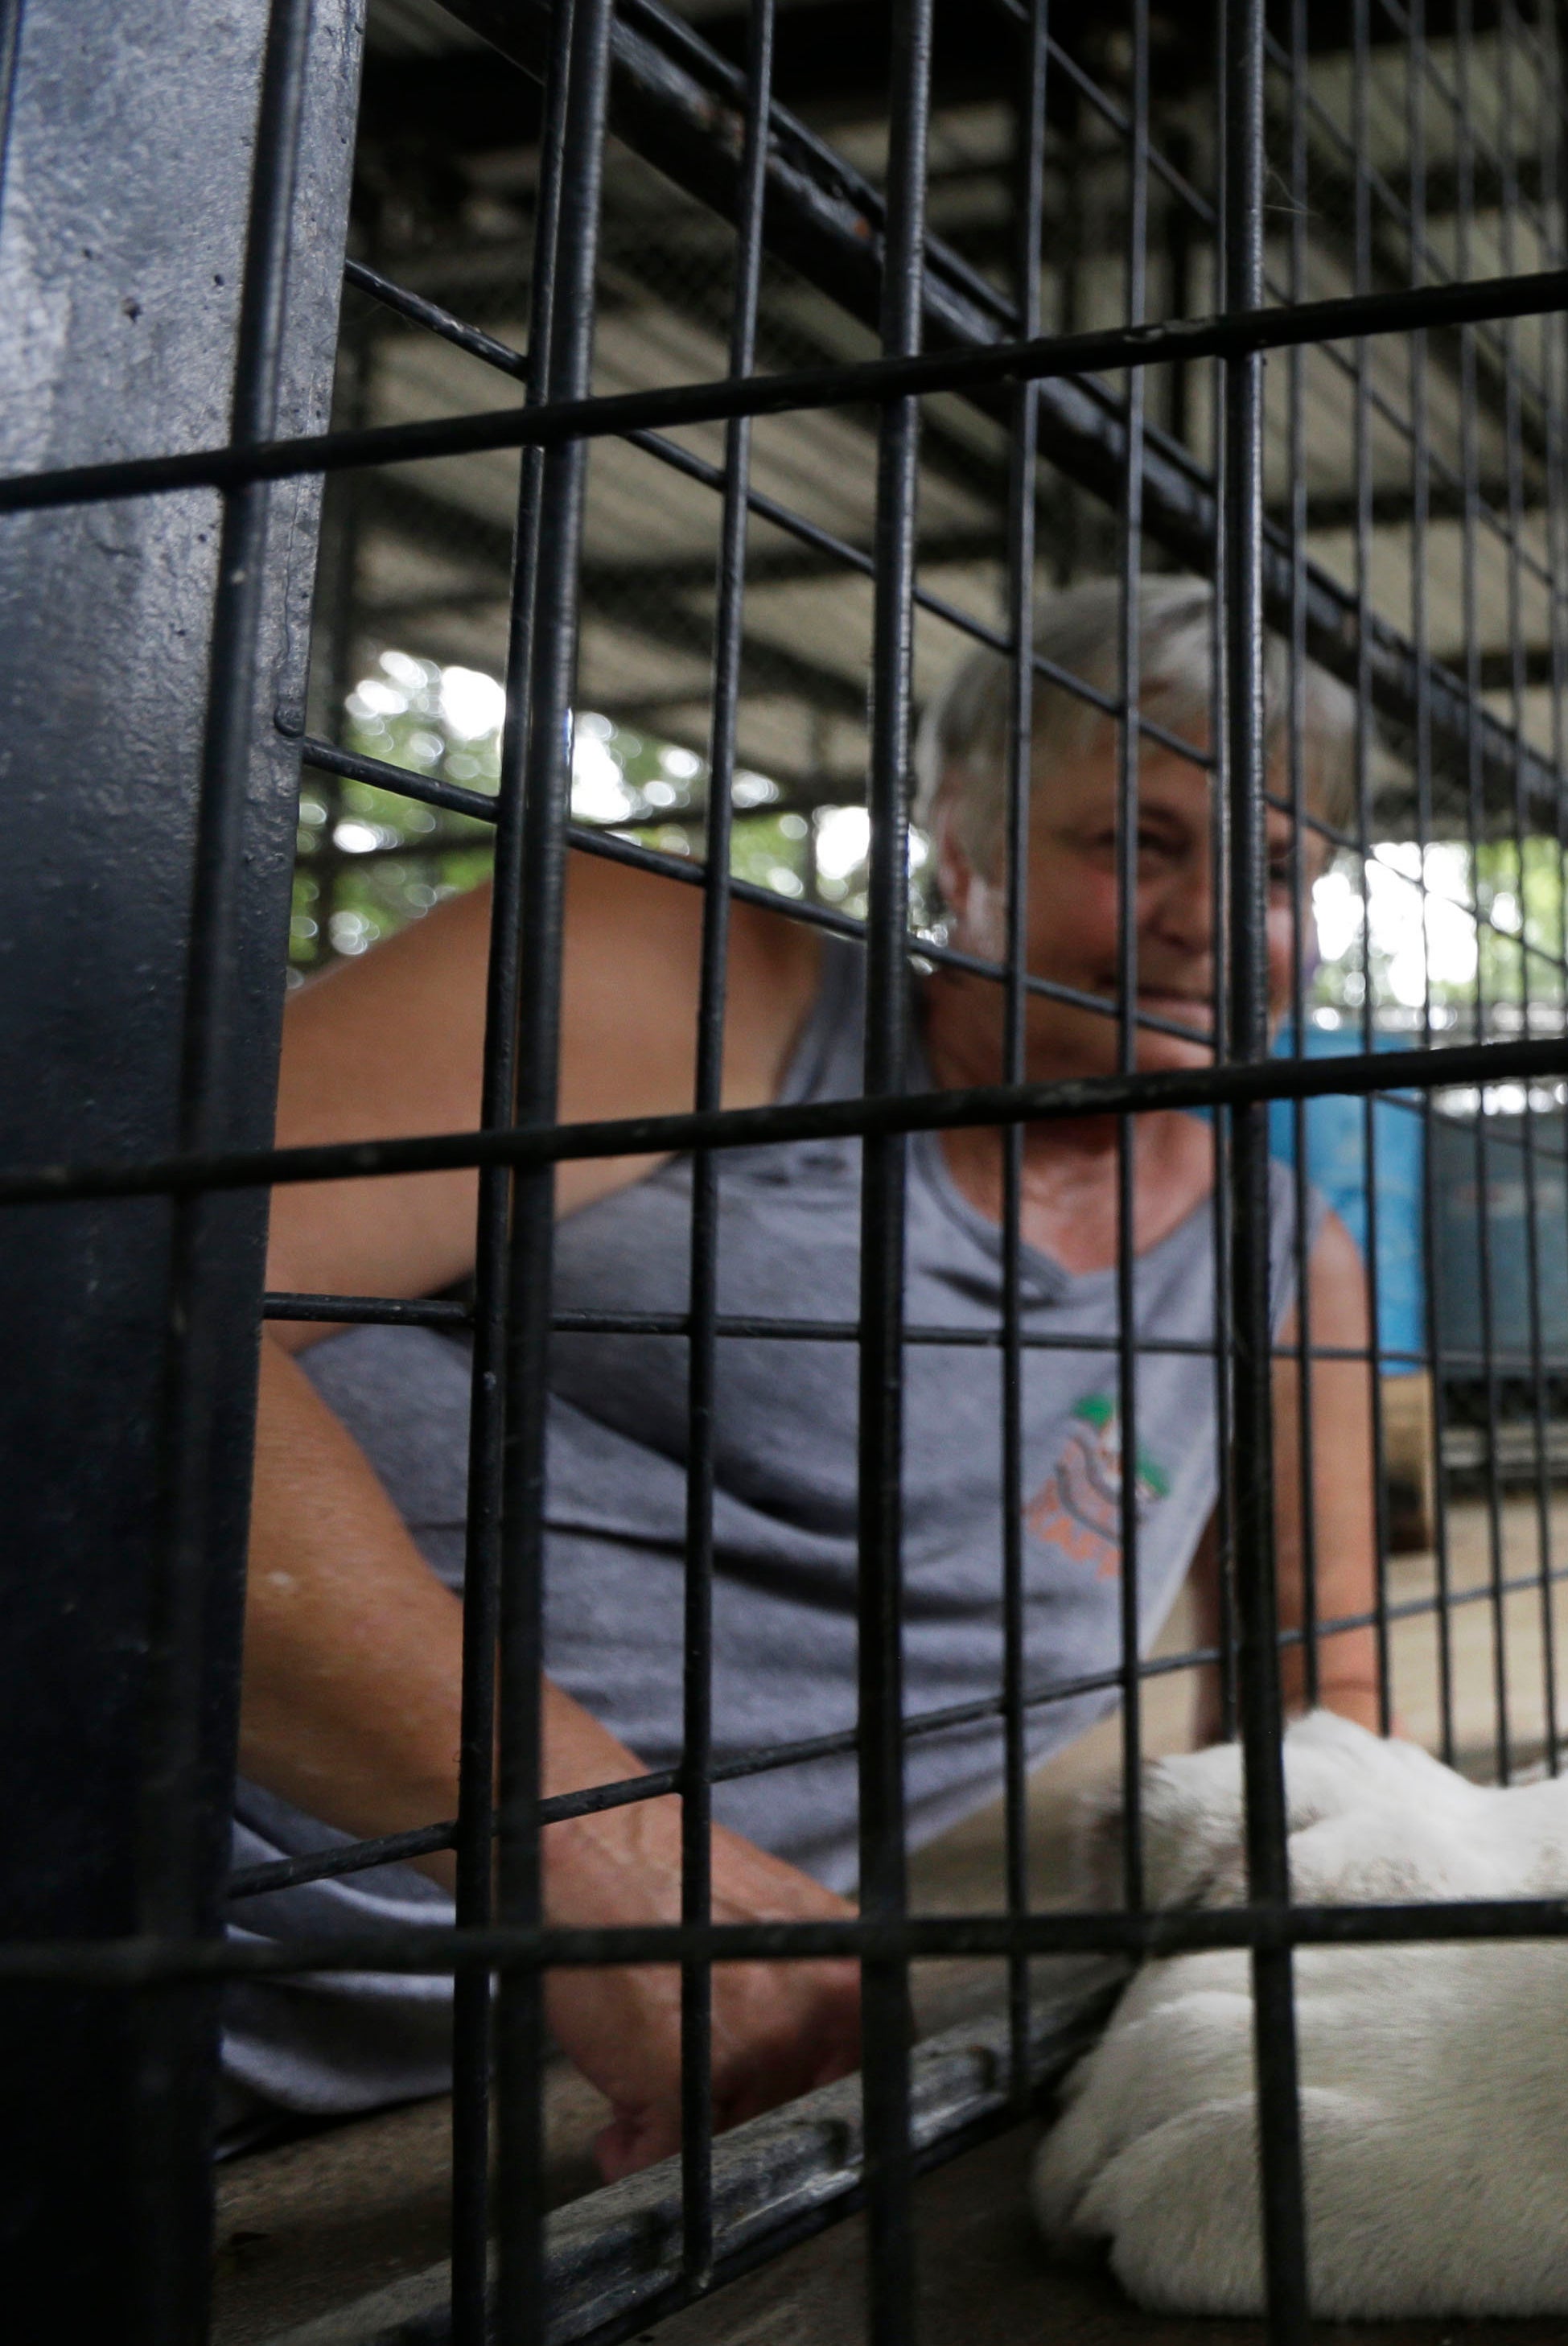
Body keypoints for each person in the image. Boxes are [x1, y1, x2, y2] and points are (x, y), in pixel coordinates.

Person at [226, 580, 1414, 2174]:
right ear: (960, 848)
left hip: (371, 2088)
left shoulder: (1281, 1263)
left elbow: (1324, 1724)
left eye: (1273, 870)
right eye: (1132, 842)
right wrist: (600, 1850)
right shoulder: (689, 984)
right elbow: (92, 1308)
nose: (1210, 916)